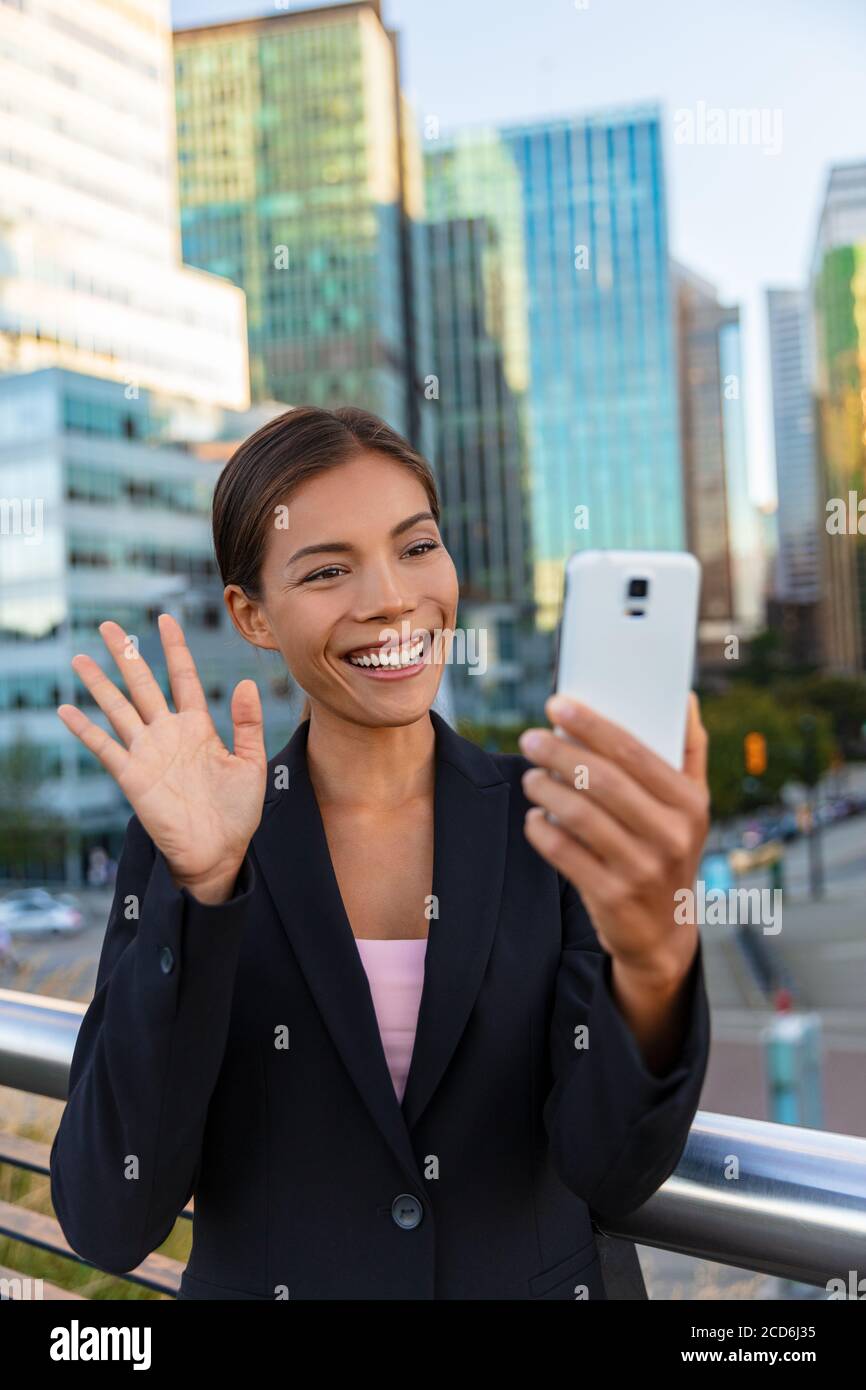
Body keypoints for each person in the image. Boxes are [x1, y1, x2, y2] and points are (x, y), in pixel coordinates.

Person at [49, 405, 711, 1301]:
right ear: (251, 613)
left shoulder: (554, 817)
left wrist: (658, 961)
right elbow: (110, 1219)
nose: (392, 599)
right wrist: (202, 894)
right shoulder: (192, 844)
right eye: (327, 569)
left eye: (415, 547)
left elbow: (612, 1170)